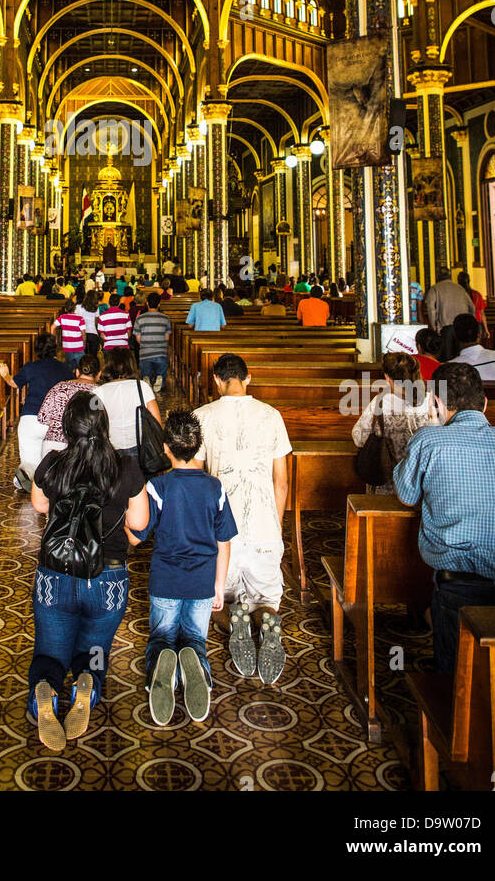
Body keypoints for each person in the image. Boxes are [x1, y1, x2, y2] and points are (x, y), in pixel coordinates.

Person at [28, 391, 149, 750]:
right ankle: (87, 681)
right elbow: (140, 522)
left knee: (49, 651)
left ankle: (46, 688)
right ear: (104, 424)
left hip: (55, 573)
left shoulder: (52, 463)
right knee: (94, 646)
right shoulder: (125, 467)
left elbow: (38, 504)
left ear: (67, 428)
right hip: (107, 576)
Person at [394, 361, 495, 673]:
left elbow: (406, 495)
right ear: (484, 403)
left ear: (437, 403)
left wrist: (429, 427)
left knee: (459, 683)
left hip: (456, 587)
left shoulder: (428, 441)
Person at [128, 409, 236, 727]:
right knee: (194, 638)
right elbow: (224, 541)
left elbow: (136, 537)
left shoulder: (157, 487)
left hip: (166, 580)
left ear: (165, 448)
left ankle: (161, 665)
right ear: (198, 446)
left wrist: (120, 518)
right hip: (202, 582)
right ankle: (197, 669)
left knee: (161, 635)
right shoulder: (215, 488)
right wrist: (219, 586)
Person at [193, 353, 291, 685]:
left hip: (222, 530)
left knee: (214, 598)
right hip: (264, 524)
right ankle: (265, 620)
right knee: (268, 599)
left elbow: (194, 480)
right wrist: (275, 526)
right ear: (249, 378)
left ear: (216, 381)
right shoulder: (272, 415)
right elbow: (282, 482)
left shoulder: (201, 416)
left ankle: (234, 621)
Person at [351, 353, 439, 494]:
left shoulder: (380, 403)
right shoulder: (431, 401)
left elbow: (358, 438)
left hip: (387, 482)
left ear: (387, 378)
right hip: (423, 484)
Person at [0, 334, 70, 491]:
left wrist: (5, 374)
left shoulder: (31, 367)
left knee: (29, 459)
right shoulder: (65, 369)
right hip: (55, 420)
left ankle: (27, 476)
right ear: (55, 349)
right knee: (55, 455)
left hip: (31, 417)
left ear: (36, 350)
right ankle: (52, 478)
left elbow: (14, 384)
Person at [97, 348, 162, 457]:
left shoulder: (99, 391)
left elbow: (96, 425)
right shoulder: (142, 386)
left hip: (112, 448)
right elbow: (157, 422)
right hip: (140, 446)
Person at [37, 354, 101, 459]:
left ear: (77, 372)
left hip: (53, 446)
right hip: (84, 448)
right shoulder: (99, 392)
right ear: (99, 374)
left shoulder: (59, 386)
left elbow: (42, 417)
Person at [423, 269, 475, 357]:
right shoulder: (460, 288)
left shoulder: (435, 288)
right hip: (462, 327)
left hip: (446, 327)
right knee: (461, 355)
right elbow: (472, 307)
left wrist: (434, 326)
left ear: (437, 276)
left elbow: (431, 308)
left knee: (448, 356)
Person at [132, 292, 172, 394]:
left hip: (145, 353)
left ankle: (147, 381)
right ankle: (160, 379)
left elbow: (137, 339)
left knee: (145, 373)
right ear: (159, 304)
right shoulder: (165, 318)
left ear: (147, 303)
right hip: (161, 352)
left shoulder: (140, 319)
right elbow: (167, 338)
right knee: (161, 371)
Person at [52, 298, 86, 370]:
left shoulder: (62, 317)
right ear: (75, 309)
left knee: (70, 367)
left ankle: (70, 379)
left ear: (65, 309)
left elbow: (52, 327)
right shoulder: (80, 319)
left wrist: (54, 339)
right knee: (81, 367)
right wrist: (84, 343)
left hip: (68, 346)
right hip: (78, 346)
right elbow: (83, 334)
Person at [457, 270, 489, 340]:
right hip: (476, 323)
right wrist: (486, 329)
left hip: (462, 323)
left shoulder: (457, 295)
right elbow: (482, 313)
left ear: (458, 281)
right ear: (469, 281)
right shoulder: (477, 295)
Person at [75, 290, 101, 357]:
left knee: (83, 357)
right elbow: (96, 322)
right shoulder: (96, 308)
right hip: (93, 334)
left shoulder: (78, 307)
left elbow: (76, 321)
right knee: (93, 357)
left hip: (81, 334)